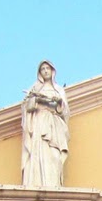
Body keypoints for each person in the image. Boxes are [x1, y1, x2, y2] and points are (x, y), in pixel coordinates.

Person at [20, 60, 69, 188]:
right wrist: (37, 100)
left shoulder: (58, 90)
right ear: (40, 72)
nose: (46, 71)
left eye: (48, 68)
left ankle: (53, 184)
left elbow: (65, 111)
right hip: (39, 123)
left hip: (54, 124)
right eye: (43, 69)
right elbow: (26, 107)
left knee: (54, 156)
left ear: (52, 71)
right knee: (38, 154)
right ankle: (37, 182)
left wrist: (59, 103)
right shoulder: (35, 89)